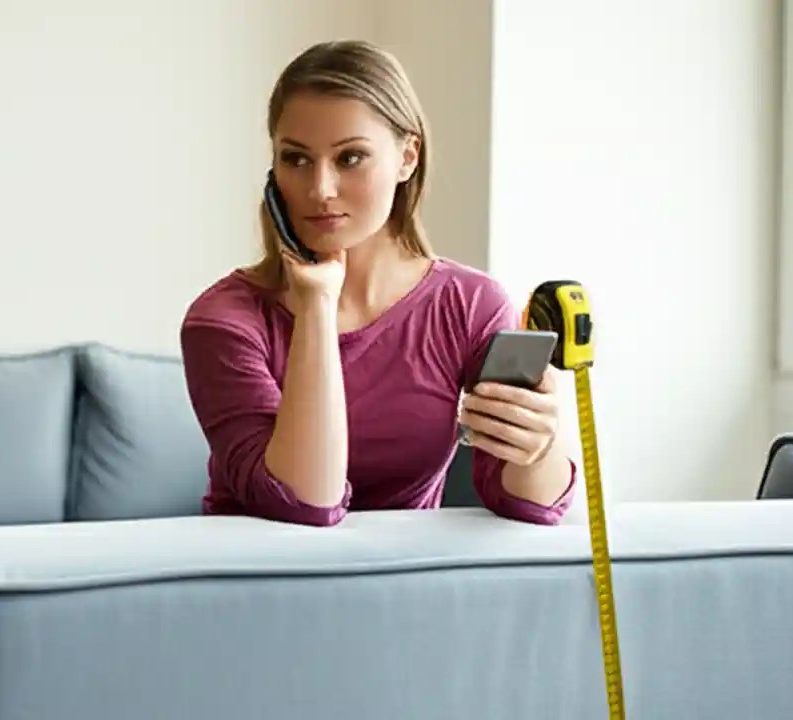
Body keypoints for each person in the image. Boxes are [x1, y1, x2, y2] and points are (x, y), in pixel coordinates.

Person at [179, 39, 576, 527]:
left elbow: (530, 508)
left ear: (407, 157)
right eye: (296, 159)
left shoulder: (471, 305)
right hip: (258, 582)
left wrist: (542, 444)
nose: (319, 189)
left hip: (401, 590)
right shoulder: (222, 321)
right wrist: (318, 304)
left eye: (350, 159)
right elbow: (304, 503)